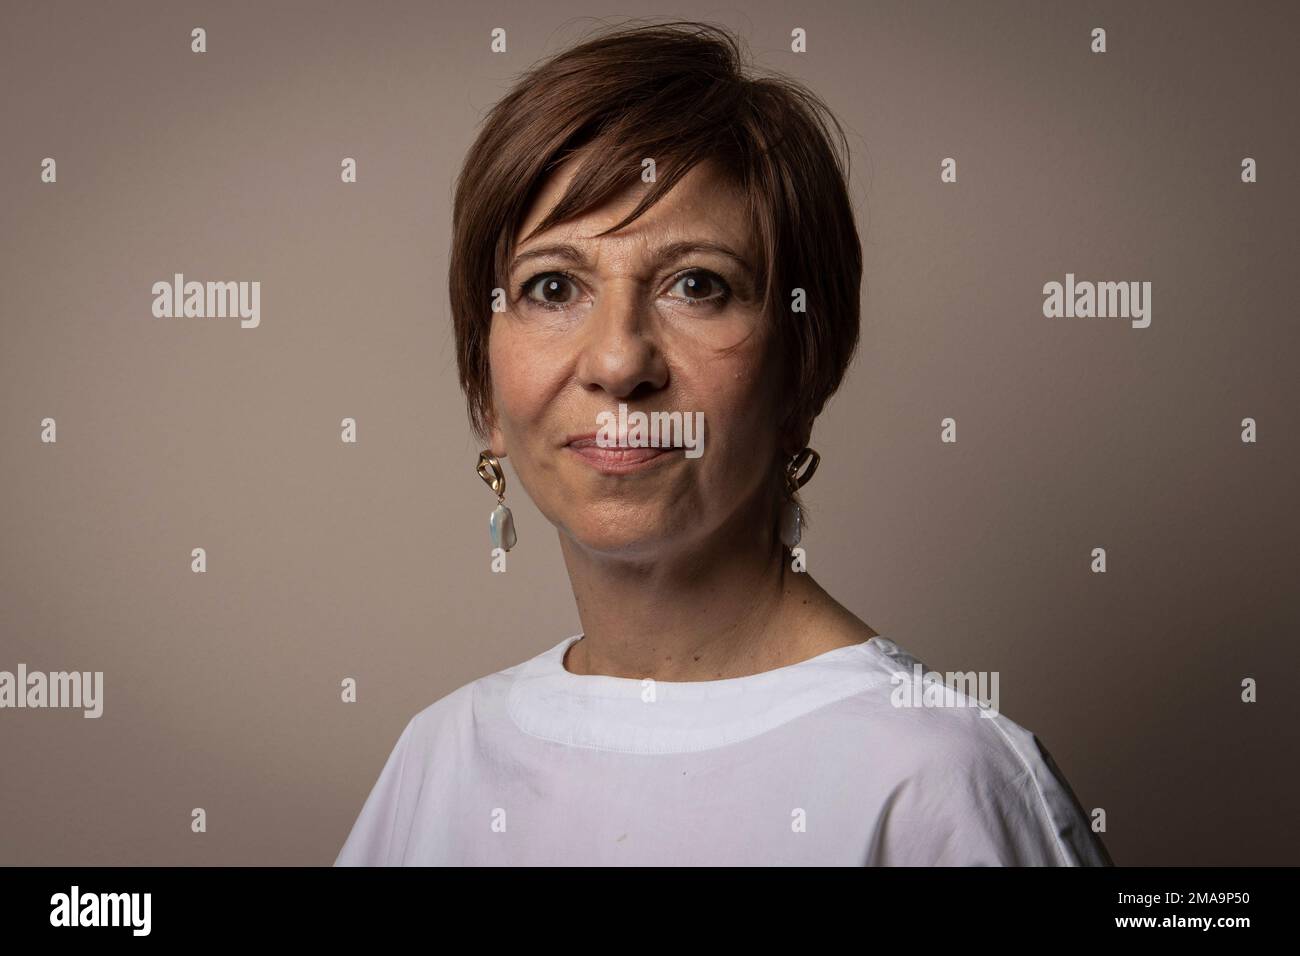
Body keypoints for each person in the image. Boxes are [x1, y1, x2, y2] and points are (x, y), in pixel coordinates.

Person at [335, 20, 1112, 866]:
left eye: (697, 285)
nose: (619, 359)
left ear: (802, 373)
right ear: (484, 389)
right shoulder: (440, 759)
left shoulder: (941, 783)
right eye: (552, 286)